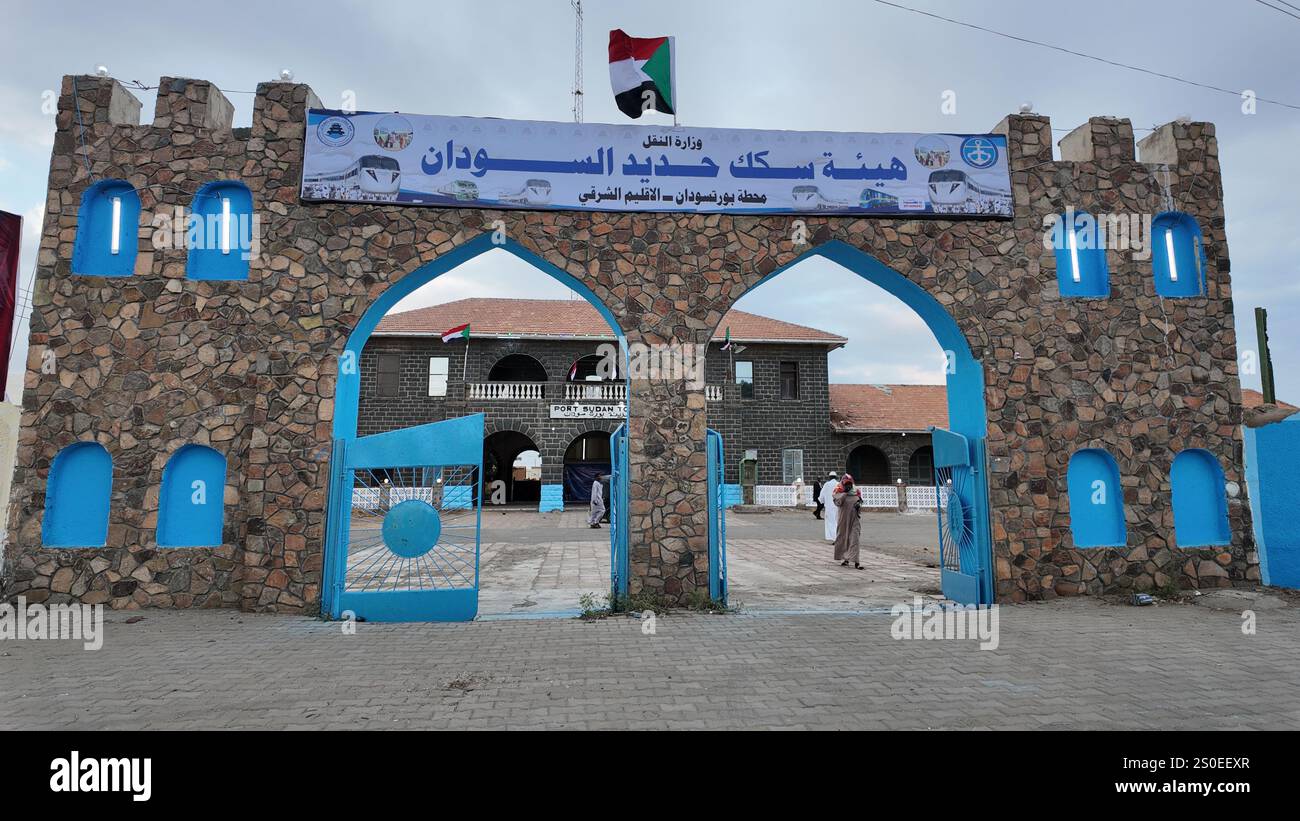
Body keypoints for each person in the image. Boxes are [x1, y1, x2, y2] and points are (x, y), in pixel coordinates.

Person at [833, 473, 864, 570]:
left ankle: (856, 561)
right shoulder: (838, 491)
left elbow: (860, 502)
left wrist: (859, 505)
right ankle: (845, 559)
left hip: (854, 519)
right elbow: (838, 503)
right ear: (843, 483)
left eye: (850, 484)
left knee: (854, 539)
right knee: (843, 538)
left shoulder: (856, 491)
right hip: (843, 520)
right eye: (846, 484)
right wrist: (844, 494)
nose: (848, 486)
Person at [818, 470, 839, 542]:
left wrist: (822, 501)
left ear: (829, 477)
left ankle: (834, 538)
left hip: (829, 507)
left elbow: (821, 496)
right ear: (836, 477)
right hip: (838, 506)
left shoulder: (827, 484)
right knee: (837, 522)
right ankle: (838, 537)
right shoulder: (839, 484)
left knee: (830, 522)